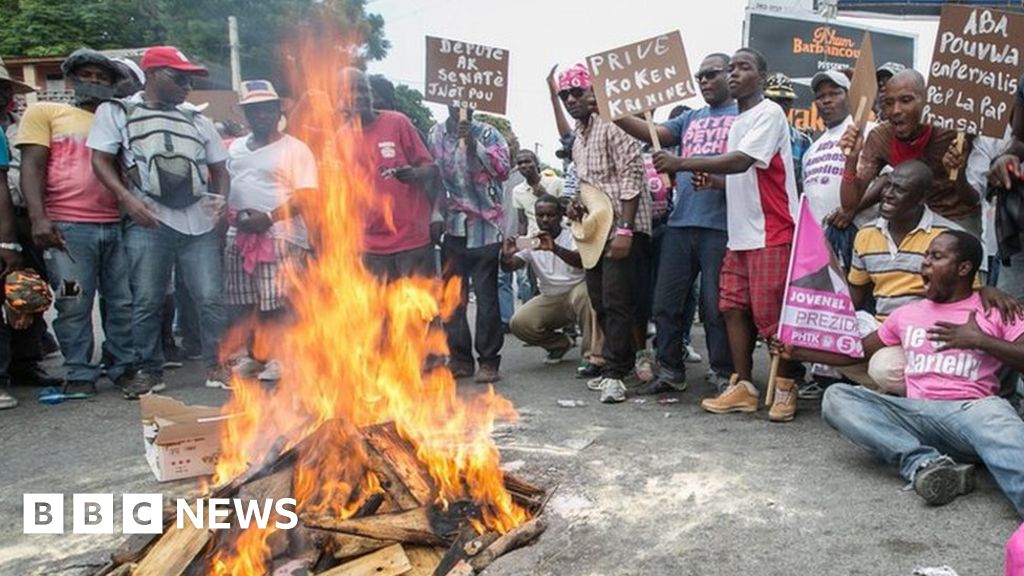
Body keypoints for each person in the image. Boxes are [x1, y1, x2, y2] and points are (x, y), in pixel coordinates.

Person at [776, 231, 1024, 516]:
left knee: (1004, 430)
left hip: (973, 412)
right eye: (926, 256)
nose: (925, 264)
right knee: (836, 397)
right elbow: (857, 352)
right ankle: (927, 464)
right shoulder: (907, 313)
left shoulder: (996, 309)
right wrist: (799, 353)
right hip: (916, 413)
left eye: (936, 257)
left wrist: (980, 340)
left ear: (964, 268)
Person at [652, 48, 801, 421]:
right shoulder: (739, 122)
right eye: (730, 68)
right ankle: (744, 386)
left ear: (762, 78)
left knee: (772, 317)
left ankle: (785, 386)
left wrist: (682, 163)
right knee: (731, 308)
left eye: (743, 67)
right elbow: (744, 176)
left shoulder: (769, 114)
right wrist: (714, 181)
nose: (733, 74)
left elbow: (742, 162)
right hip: (740, 233)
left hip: (772, 230)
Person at [88, 46, 231, 398]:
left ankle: (218, 364)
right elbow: (101, 160)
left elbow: (220, 168)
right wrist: (128, 200)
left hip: (197, 222)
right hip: (148, 219)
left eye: (189, 79)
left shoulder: (197, 119)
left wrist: (220, 201)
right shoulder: (118, 111)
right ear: (151, 75)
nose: (186, 85)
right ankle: (149, 370)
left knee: (211, 297)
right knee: (147, 299)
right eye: (178, 77)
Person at [614, 52, 737, 394]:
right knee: (664, 303)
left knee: (716, 308)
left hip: (723, 226)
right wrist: (616, 111)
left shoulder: (745, 117)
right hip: (681, 224)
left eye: (711, 74)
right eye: (700, 76)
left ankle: (724, 373)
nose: (704, 81)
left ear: (731, 74)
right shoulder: (691, 118)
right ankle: (670, 371)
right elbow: (653, 132)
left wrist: (681, 163)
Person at [16, 49, 135, 396]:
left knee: (122, 302)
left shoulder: (117, 118)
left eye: (102, 77)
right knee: (73, 300)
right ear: (71, 80)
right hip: (68, 230)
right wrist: (39, 218)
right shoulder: (46, 112)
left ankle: (123, 367)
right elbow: (32, 167)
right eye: (87, 75)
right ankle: (80, 372)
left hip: (116, 226)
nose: (95, 82)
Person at [559, 64, 652, 404]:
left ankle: (615, 373)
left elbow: (633, 175)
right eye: (563, 94)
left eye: (576, 92)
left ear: (594, 92)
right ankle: (621, 363)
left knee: (616, 300)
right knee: (600, 300)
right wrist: (574, 205)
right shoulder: (578, 138)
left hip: (623, 228)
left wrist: (625, 229)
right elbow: (586, 186)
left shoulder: (614, 124)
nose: (570, 99)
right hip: (595, 230)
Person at [224, 80, 318, 382]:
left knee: (279, 302)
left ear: (278, 110)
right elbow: (228, 187)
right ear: (245, 114)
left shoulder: (295, 149)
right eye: (254, 110)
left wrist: (268, 217)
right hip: (240, 237)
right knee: (247, 303)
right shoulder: (236, 148)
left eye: (267, 108)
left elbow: (307, 196)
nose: (261, 115)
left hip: (282, 235)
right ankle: (256, 357)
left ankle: (284, 358)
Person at [840, 69, 981, 236]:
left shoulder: (955, 129)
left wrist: (959, 175)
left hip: (956, 218)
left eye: (906, 100)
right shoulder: (880, 138)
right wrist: (851, 160)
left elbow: (974, 199)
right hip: (909, 223)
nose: (895, 110)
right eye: (888, 103)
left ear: (927, 101)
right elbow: (849, 204)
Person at [428, 105, 510, 384]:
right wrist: (435, 213)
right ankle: (460, 359)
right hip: (452, 225)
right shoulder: (436, 133)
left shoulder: (489, 133)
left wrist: (473, 144)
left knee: (486, 297)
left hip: (485, 227)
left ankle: (488, 361)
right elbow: (435, 177)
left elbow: (502, 170)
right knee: (452, 297)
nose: (461, 104)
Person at [339, 68, 438, 282]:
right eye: (350, 91)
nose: (359, 96)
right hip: (370, 245)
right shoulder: (340, 138)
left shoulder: (397, 122)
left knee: (418, 311)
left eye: (364, 89)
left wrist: (414, 173)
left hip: (411, 240)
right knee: (378, 314)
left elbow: (432, 170)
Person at [0, 56, 60, 392]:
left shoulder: (24, 126)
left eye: (2, 87)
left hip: (26, 220)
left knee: (30, 293)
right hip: (1, 224)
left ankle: (26, 364)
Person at [501, 194, 592, 364]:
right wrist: (506, 257)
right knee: (519, 323)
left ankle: (591, 356)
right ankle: (560, 344)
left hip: (576, 292)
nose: (545, 219)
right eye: (540, 215)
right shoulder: (532, 239)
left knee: (586, 296)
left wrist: (555, 249)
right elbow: (512, 265)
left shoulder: (573, 233)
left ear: (560, 216)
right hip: (550, 298)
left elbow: (583, 262)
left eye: (551, 215)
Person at [764, 73, 812, 195]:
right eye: (772, 100)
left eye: (784, 101)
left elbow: (804, 186)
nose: (778, 107)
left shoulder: (803, 142)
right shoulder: (748, 134)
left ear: (790, 104)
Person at [512, 150, 563, 235]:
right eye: (520, 163)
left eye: (527, 162)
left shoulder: (557, 183)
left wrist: (545, 195)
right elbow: (522, 222)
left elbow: (565, 212)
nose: (524, 165)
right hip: (534, 239)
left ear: (536, 163)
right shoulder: (517, 191)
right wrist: (521, 243)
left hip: (557, 237)